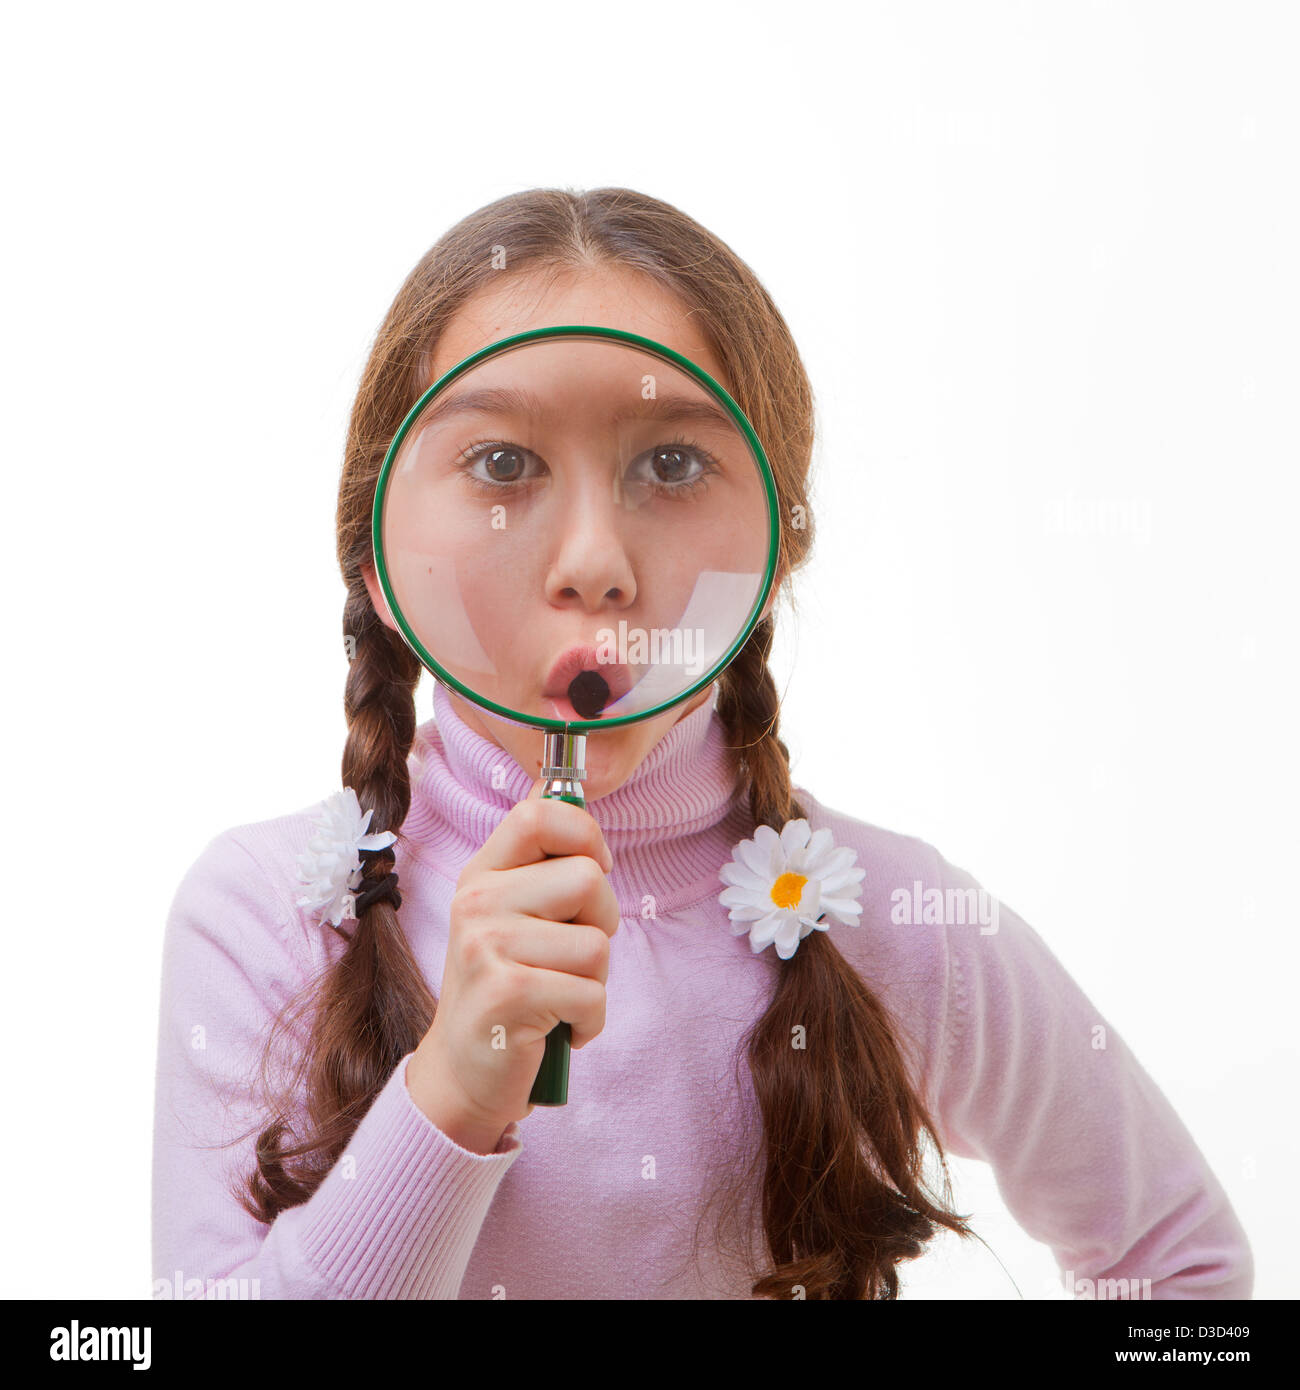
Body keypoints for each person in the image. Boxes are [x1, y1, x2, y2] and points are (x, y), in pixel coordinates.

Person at [151, 186, 1253, 1301]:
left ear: (777, 547)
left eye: (671, 466)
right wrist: (451, 1090)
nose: (593, 559)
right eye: (501, 465)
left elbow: (1182, 1267)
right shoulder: (270, 916)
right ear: (378, 555)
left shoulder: (896, 922)